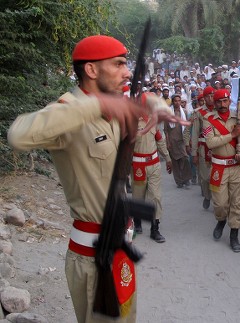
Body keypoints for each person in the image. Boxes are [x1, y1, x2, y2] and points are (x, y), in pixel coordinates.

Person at [7, 35, 186, 323]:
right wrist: (95, 106)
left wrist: (154, 102)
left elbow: (138, 100)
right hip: (92, 257)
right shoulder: (71, 110)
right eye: (118, 64)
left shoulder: (115, 105)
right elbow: (17, 135)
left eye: (127, 64)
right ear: (91, 70)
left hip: (119, 247)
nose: (127, 71)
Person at [203, 89, 240, 252]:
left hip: (237, 167)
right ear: (214, 103)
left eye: (225, 101)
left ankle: (234, 235)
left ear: (230, 102)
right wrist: (232, 134)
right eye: (219, 101)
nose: (222, 104)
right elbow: (210, 143)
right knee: (219, 204)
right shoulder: (208, 120)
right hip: (218, 168)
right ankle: (221, 220)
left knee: (236, 203)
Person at [132, 93, 173, 243]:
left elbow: (160, 140)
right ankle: (137, 220)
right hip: (137, 165)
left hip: (154, 164)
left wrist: (168, 158)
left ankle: (155, 229)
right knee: (138, 196)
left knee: (155, 196)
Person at [190, 86, 215, 209]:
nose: (211, 98)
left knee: (216, 175)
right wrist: (194, 153)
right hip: (203, 147)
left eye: (212, 95)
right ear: (204, 98)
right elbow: (194, 133)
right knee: (205, 177)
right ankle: (207, 195)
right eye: (208, 96)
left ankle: (217, 199)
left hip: (217, 146)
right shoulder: (198, 112)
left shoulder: (219, 109)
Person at [164, 94, 192, 188]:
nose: (177, 102)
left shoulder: (184, 112)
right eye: (175, 101)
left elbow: (187, 128)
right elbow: (166, 130)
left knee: (185, 158)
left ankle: (186, 178)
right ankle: (179, 181)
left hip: (182, 140)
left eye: (179, 101)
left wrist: (189, 140)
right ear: (173, 101)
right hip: (172, 140)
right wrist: (167, 142)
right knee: (175, 162)